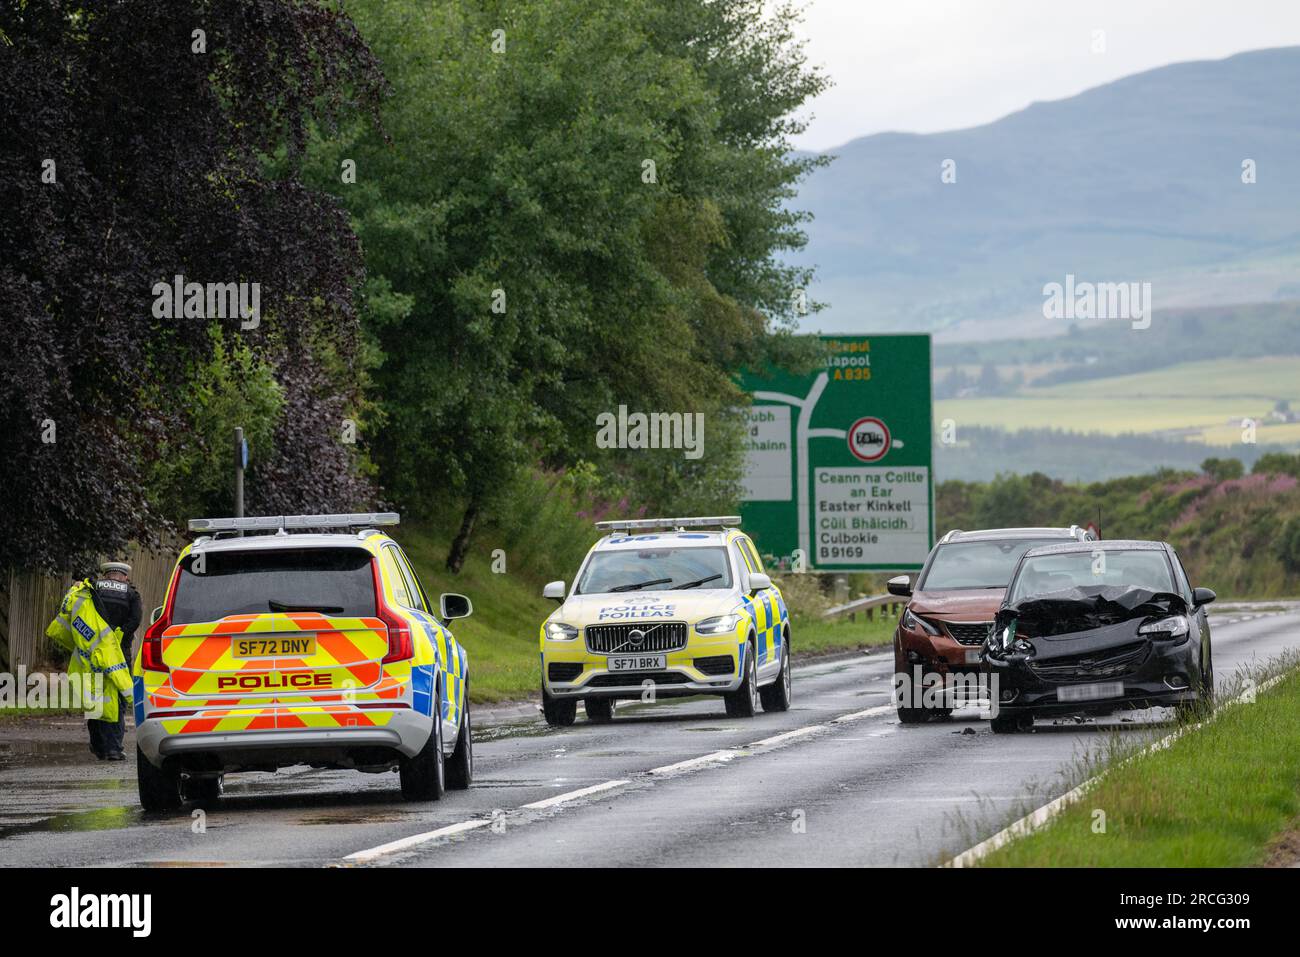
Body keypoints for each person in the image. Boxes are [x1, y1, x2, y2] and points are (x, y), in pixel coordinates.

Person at [45, 562, 138, 761]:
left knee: (94, 698)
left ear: (105, 575)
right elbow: (135, 619)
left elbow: (72, 614)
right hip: (118, 655)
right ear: (125, 577)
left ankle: (98, 746)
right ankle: (113, 748)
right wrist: (119, 635)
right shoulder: (131, 593)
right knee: (116, 700)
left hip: (89, 654)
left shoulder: (92, 589)